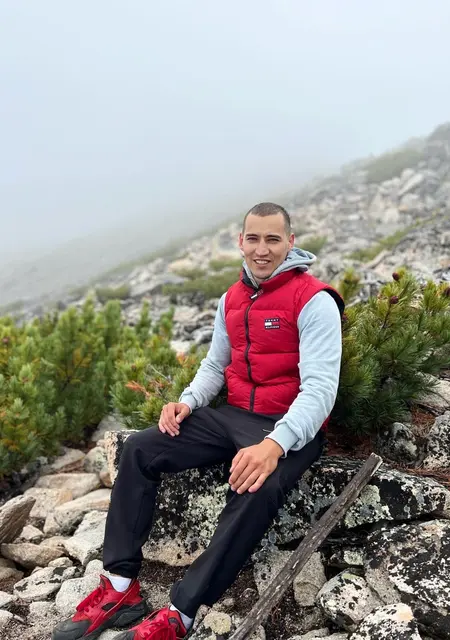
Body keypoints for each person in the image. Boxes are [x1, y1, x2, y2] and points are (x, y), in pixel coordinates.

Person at [52, 202, 344, 640]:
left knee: (256, 485)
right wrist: (187, 403)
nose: (262, 249)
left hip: (288, 426)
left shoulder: (314, 300)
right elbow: (214, 365)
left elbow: (320, 390)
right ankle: (120, 587)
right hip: (232, 416)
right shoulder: (232, 298)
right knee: (141, 449)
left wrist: (274, 445)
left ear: (291, 242)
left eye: (272, 239)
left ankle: (181, 613)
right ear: (240, 241)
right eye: (253, 238)